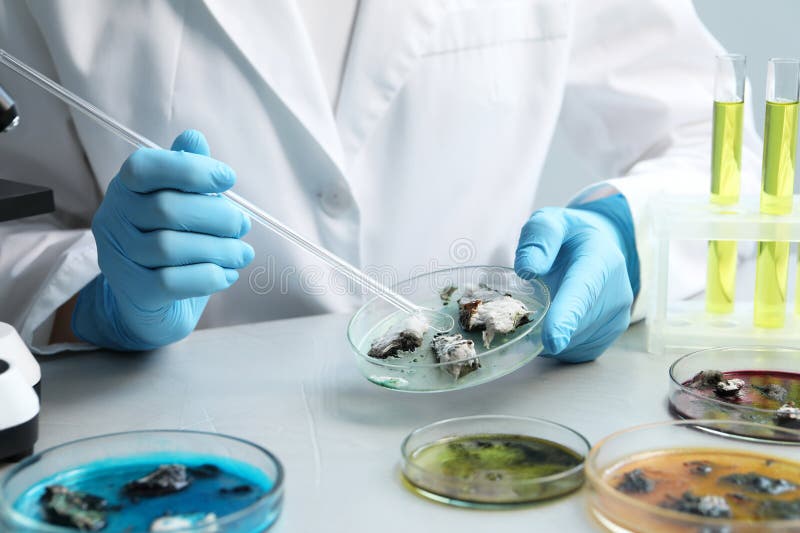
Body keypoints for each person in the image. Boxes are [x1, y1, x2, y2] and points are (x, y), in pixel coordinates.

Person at [0, 1, 760, 360]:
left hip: (480, 421)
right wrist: (94, 301)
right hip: (192, 453)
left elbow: (713, 143)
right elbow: (12, 229)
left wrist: (626, 231)